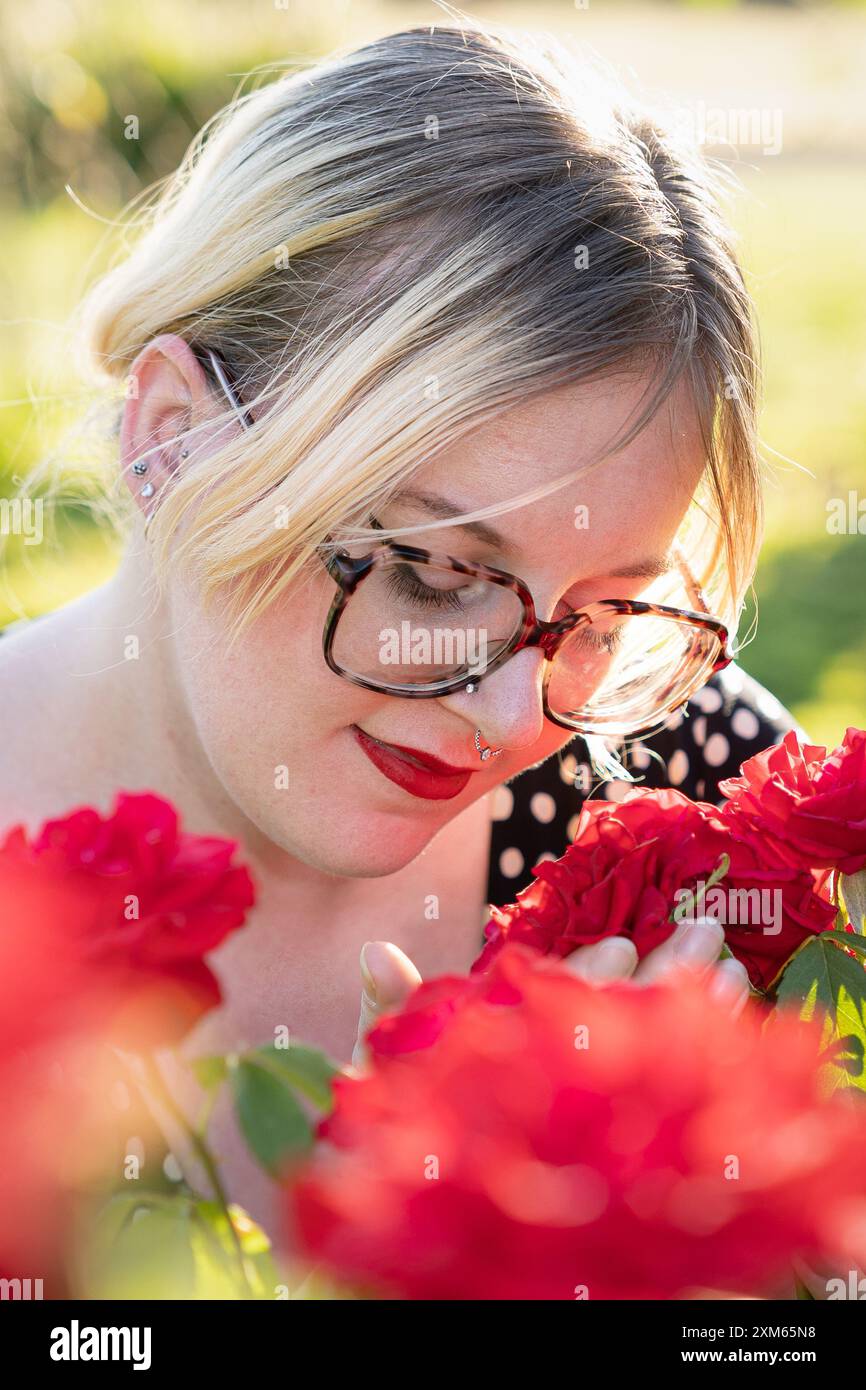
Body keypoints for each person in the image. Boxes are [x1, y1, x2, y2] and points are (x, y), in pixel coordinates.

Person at [0, 23, 799, 1233]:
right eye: (426, 574)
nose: (511, 717)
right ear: (170, 437)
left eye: (606, 613)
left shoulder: (708, 812)